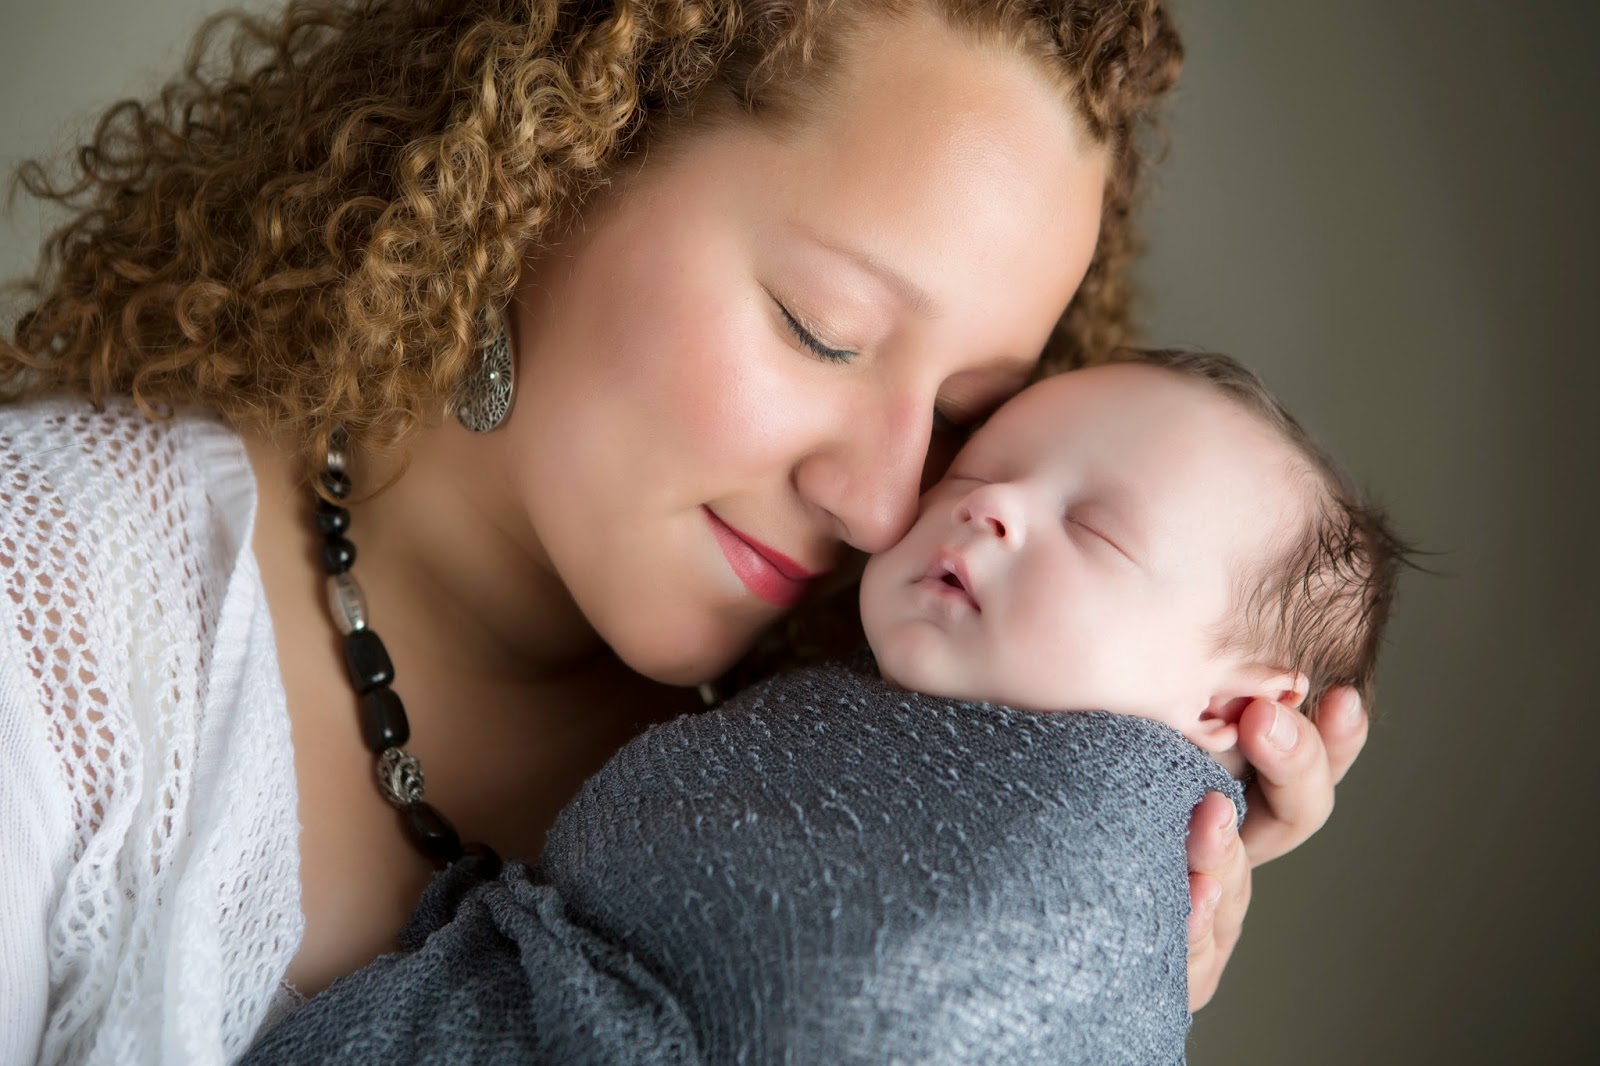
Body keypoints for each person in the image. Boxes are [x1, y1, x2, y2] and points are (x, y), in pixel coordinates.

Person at [0, 1, 1369, 1062]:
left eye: (968, 419)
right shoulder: (55, 609)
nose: (887, 501)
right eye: (822, 333)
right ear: (549, 166)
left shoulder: (880, 739)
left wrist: (1095, 868)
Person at [238, 349, 1406, 1065]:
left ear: (1231, 709)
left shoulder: (1091, 866)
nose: (986, 509)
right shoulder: (812, 697)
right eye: (976, 468)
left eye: (1092, 529)